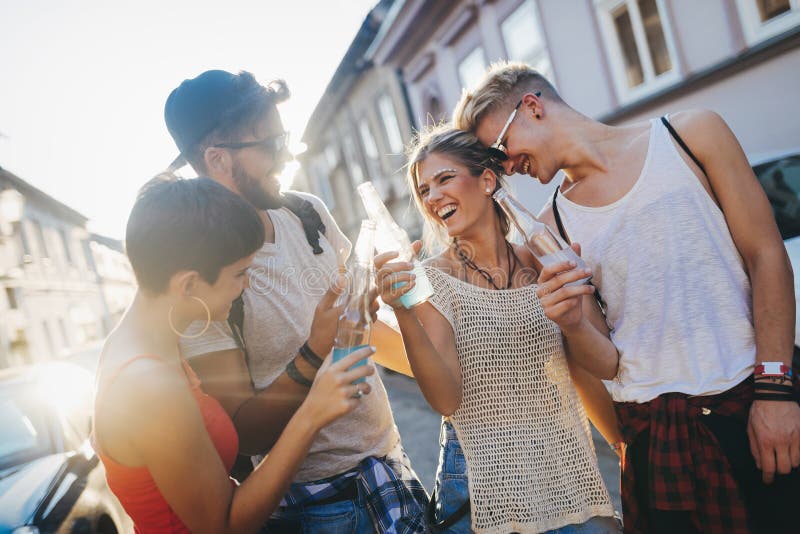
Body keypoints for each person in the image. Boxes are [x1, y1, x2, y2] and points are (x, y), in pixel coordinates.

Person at [455, 60, 800, 533]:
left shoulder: (691, 136)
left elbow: (767, 257)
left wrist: (776, 392)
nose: (508, 166)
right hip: (655, 439)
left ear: (532, 107)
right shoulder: (550, 227)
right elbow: (608, 363)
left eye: (501, 149)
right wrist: (572, 321)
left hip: (752, 402)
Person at [163, 69, 427, 533]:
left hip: (390, 466)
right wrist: (313, 350)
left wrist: (449, 373)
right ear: (217, 160)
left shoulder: (306, 213)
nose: (287, 154)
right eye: (271, 143)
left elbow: (361, 328)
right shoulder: (205, 277)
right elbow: (246, 430)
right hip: (314, 507)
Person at [93, 175, 376, 533]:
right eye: (241, 273)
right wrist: (312, 414)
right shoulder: (149, 385)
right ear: (189, 284)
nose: (246, 285)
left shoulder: (140, 344)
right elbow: (223, 526)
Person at [375, 126, 622, 533]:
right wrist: (403, 310)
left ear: (487, 180)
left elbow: (594, 365)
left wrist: (619, 443)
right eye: (424, 190)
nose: (432, 197)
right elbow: (445, 398)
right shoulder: (433, 279)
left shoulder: (544, 256)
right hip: (482, 481)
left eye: (444, 179)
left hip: (566, 468)